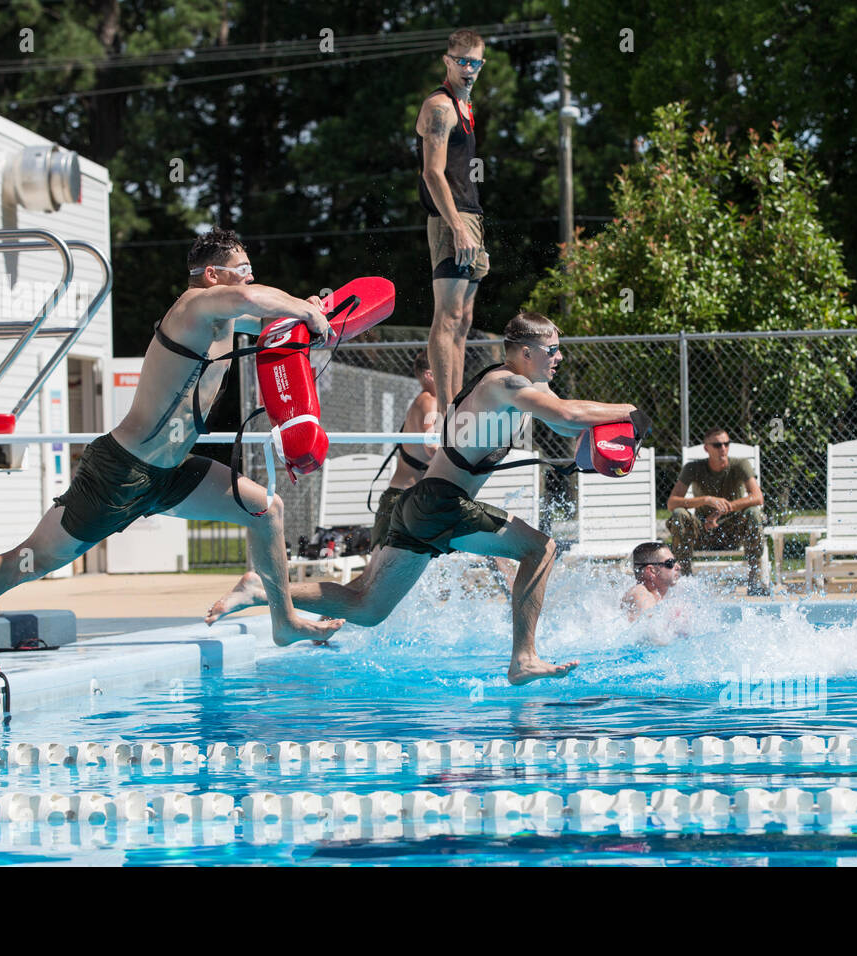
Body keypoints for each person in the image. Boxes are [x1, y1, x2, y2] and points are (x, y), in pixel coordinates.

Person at [0, 227, 343, 674]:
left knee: (266, 510)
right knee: (29, 561)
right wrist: (300, 306)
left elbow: (271, 318)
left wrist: (317, 311)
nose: (249, 278)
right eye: (242, 270)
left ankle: (283, 621)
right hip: (122, 472)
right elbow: (254, 301)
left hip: (170, 474)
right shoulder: (193, 306)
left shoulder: (225, 318)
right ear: (211, 275)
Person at [208, 311, 639, 685]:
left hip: (421, 504)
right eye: (553, 349)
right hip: (441, 502)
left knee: (367, 605)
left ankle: (263, 589)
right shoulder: (506, 382)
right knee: (539, 548)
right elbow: (569, 415)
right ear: (526, 352)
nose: (559, 357)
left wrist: (612, 435)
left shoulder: (519, 387)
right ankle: (523, 658)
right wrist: (633, 414)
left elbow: (568, 423)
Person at [415, 28, 490, 418]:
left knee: (464, 319)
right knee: (448, 315)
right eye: (463, 60)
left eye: (476, 62)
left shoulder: (466, 106)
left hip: (470, 216)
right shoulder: (440, 107)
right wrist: (457, 226)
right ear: (448, 61)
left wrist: (470, 223)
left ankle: (458, 403)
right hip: (451, 219)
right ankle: (446, 411)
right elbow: (432, 173)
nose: (470, 69)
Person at [666, 427, 768, 595]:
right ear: (706, 448)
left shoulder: (740, 465)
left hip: (733, 531)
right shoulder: (693, 468)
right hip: (702, 532)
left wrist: (724, 509)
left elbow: (757, 497)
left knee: (754, 513)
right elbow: (672, 502)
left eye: (726, 444)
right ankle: (685, 579)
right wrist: (707, 500)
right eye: (717, 445)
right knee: (678, 514)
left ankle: (755, 579)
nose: (723, 449)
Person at [370, 350, 438, 554]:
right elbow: (431, 448)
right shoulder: (428, 401)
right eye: (443, 371)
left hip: (407, 499)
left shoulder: (424, 401)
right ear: (429, 375)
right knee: (374, 577)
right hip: (404, 500)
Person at [621, 541, 682, 622]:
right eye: (670, 563)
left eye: (676, 562)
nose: (678, 567)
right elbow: (654, 626)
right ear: (651, 571)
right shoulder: (639, 593)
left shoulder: (668, 598)